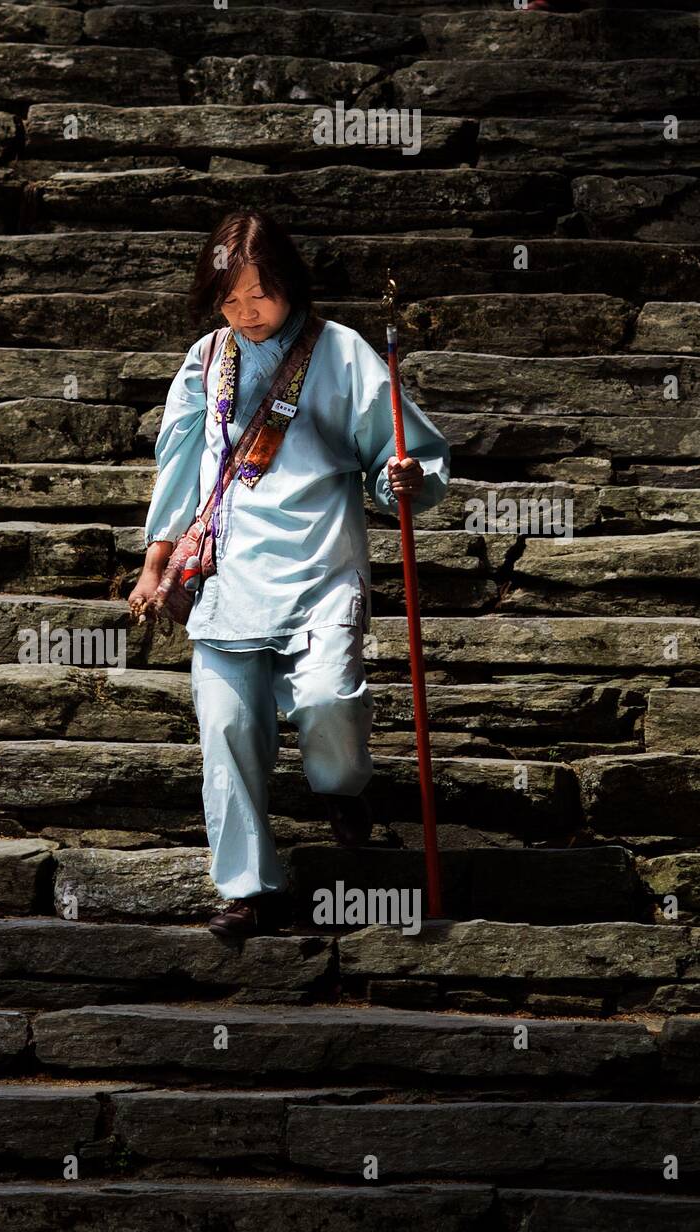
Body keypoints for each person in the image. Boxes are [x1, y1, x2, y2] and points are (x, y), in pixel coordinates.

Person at [128, 209, 451, 944]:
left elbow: (405, 454)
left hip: (319, 571)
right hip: (226, 579)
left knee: (332, 701)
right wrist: (156, 563)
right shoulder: (208, 359)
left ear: (290, 285)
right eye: (231, 299)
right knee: (228, 728)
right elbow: (181, 470)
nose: (246, 312)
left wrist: (400, 476)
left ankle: (343, 793)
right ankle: (248, 888)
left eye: (259, 296)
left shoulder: (341, 353)